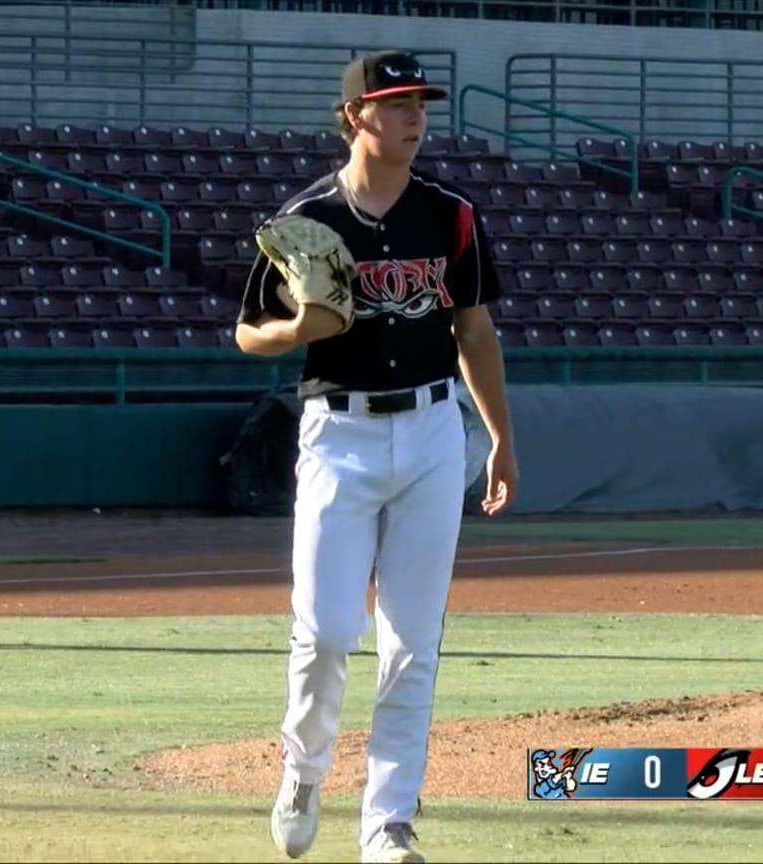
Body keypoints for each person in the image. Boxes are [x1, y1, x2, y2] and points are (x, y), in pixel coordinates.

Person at [233, 51, 518, 863]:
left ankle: (387, 824)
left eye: (419, 102)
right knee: (327, 632)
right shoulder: (309, 217)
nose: (413, 115)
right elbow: (248, 331)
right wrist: (297, 329)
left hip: (433, 432)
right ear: (354, 115)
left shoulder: (450, 215)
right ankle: (302, 770)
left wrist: (500, 437)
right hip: (340, 433)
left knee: (412, 643)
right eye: (394, 103)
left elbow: (473, 332)